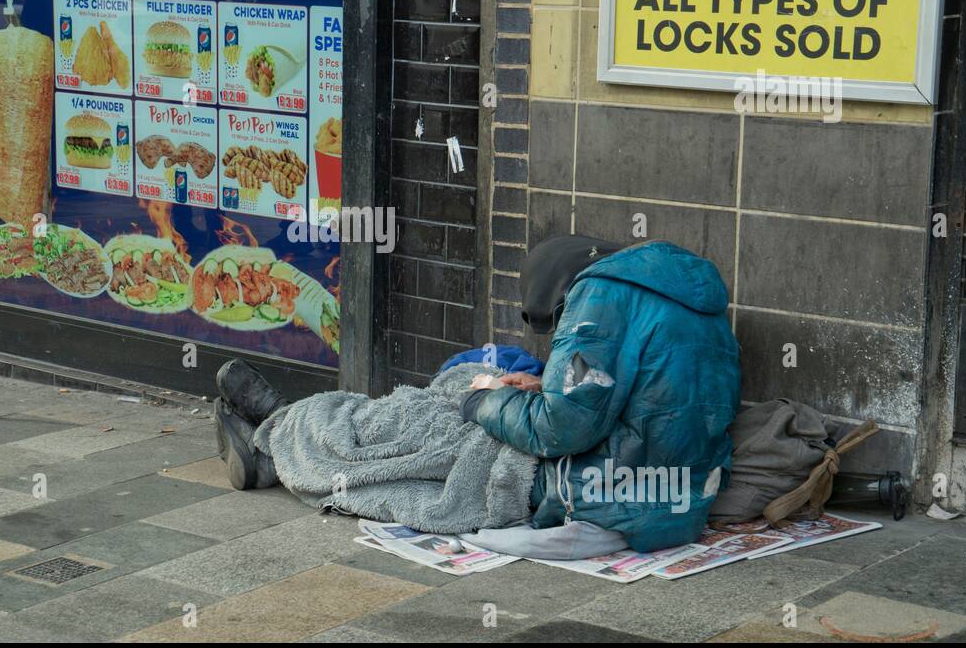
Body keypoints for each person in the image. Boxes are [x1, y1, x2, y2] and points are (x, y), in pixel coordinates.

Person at [215, 235, 742, 552]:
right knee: (448, 410)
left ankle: (283, 426)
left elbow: (559, 429)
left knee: (429, 424)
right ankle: (275, 445)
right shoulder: (679, 294)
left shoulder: (597, 295)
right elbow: (644, 395)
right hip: (675, 499)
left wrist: (483, 400)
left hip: (597, 490)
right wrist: (542, 384)